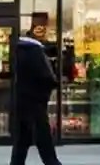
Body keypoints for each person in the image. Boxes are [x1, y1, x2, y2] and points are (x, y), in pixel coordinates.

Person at [11, 30, 62, 165]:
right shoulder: (35, 52)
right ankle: (52, 162)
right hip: (36, 102)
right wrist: (52, 85)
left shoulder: (19, 50)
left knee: (22, 138)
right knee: (42, 136)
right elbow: (46, 77)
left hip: (22, 100)